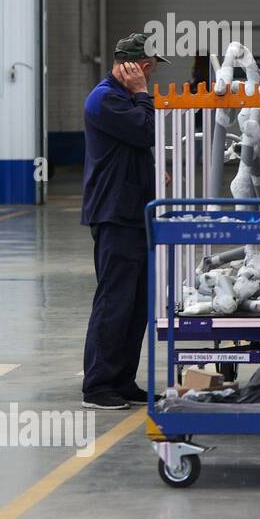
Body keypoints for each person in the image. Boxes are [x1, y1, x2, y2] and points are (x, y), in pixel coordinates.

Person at [81, 32, 170, 409]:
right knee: (115, 299)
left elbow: (133, 145)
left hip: (133, 210)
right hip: (114, 213)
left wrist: (152, 171)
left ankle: (122, 379)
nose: (150, 76)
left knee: (136, 303)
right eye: (150, 70)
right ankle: (98, 385)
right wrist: (143, 94)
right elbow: (148, 130)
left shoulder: (121, 98)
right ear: (140, 66)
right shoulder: (105, 98)